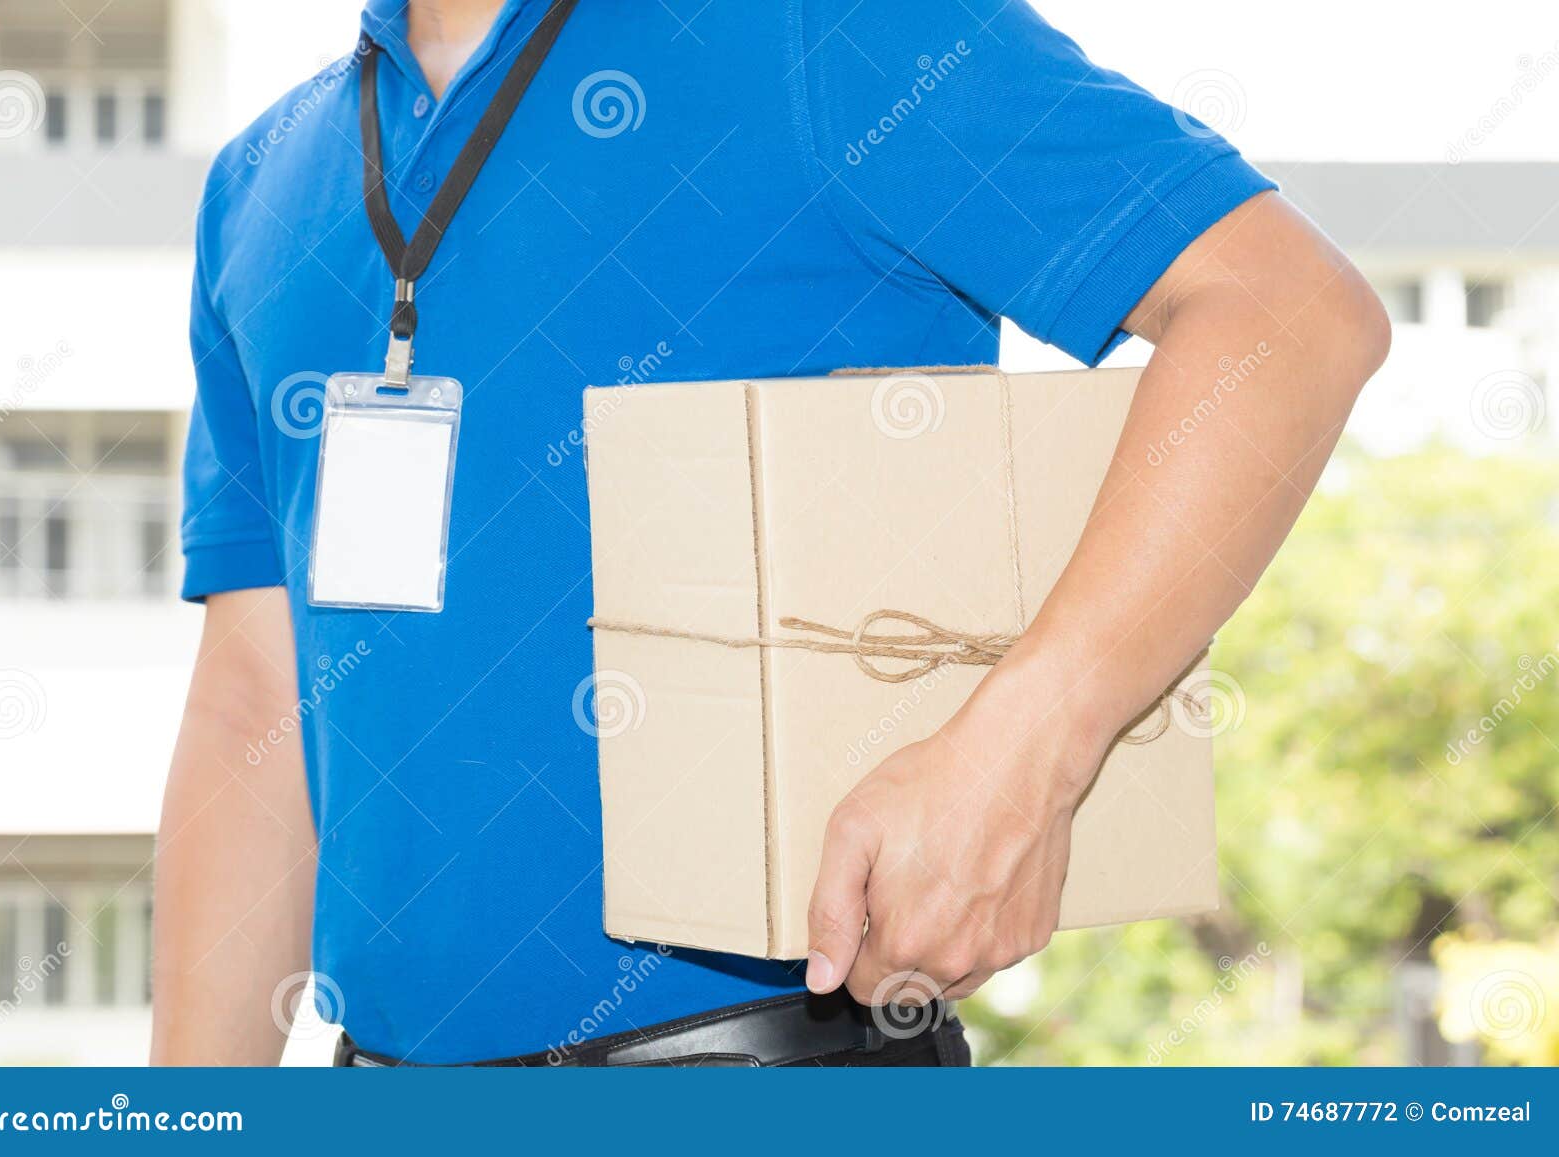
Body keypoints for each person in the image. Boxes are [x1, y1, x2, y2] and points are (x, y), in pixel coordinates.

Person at [151, 0, 1389, 1068]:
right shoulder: (261, 180)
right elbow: (254, 701)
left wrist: (1026, 751)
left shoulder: (827, 32)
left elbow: (1290, 315)